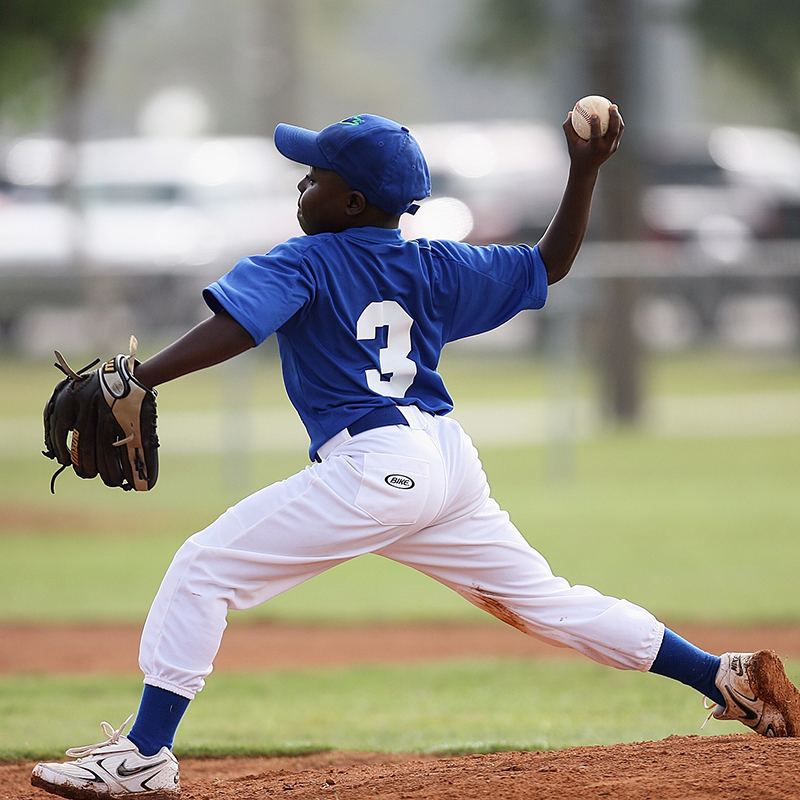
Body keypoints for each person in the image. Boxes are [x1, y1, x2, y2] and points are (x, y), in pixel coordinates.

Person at [32, 111, 800, 799]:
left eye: (316, 176)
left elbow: (239, 326)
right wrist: (584, 171)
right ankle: (724, 677)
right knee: (546, 599)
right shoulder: (436, 263)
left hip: (375, 467)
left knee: (204, 567)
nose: (302, 185)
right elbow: (549, 263)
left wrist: (139, 373)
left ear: (353, 202)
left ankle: (143, 754)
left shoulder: (305, 260)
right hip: (446, 462)